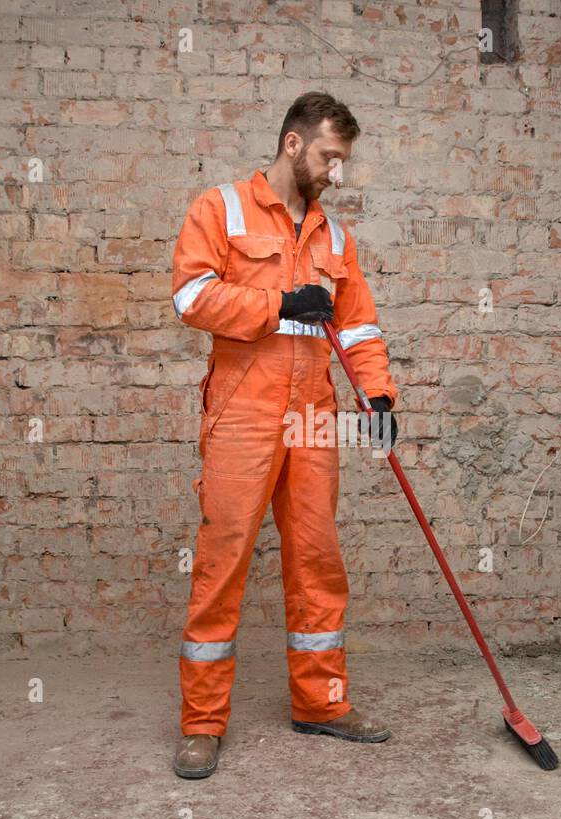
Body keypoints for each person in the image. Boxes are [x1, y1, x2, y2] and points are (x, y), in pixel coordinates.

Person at [168, 91, 400, 778]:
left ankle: (321, 703)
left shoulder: (334, 237)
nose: (337, 172)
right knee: (223, 562)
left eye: (344, 161)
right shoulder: (222, 209)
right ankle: (202, 725)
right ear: (294, 145)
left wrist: (379, 391)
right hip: (243, 411)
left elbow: (357, 325)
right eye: (331, 157)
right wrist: (278, 305)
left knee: (317, 560)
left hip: (313, 416)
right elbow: (191, 298)